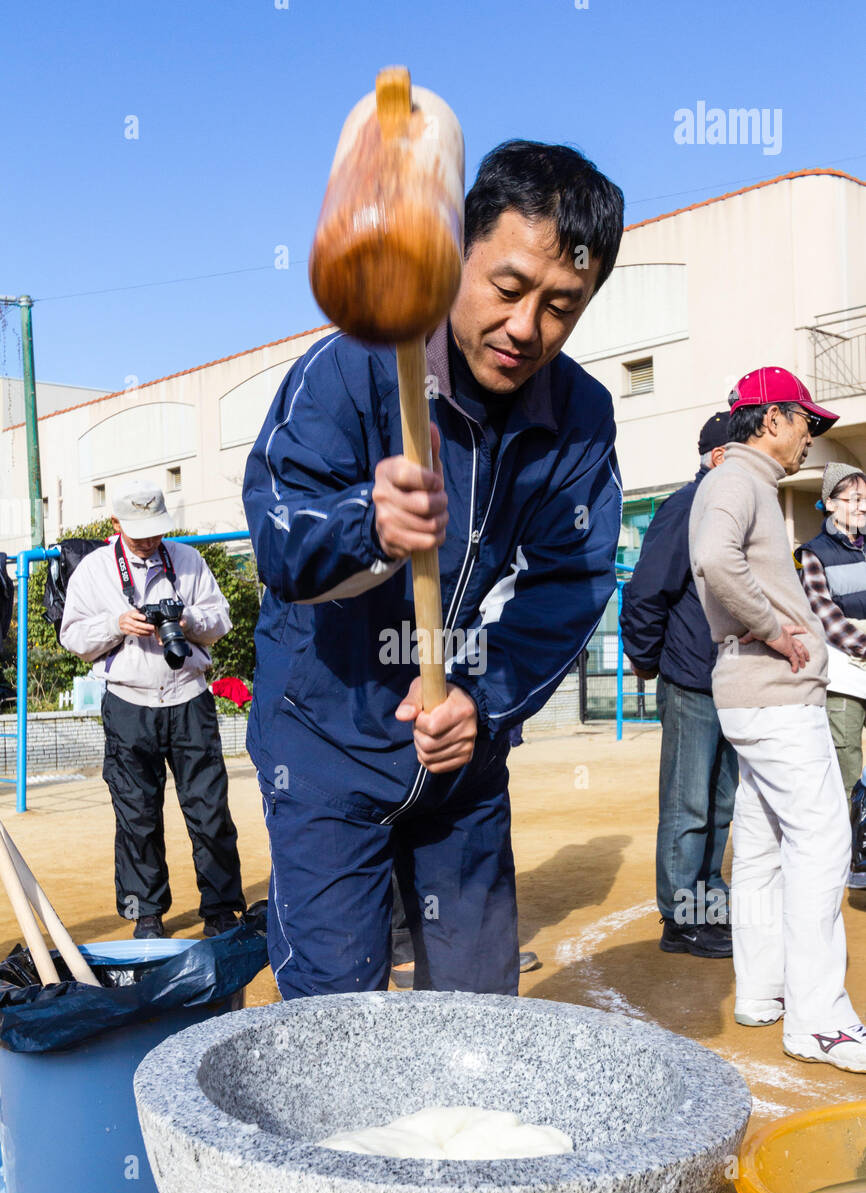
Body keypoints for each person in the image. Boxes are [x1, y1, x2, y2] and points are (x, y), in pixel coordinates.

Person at [244, 140, 624, 999]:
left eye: (563, 306)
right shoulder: (352, 364)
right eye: (509, 288)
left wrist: (481, 706)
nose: (527, 328)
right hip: (325, 739)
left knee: (478, 1013)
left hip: (460, 749)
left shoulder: (582, 416)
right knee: (335, 1017)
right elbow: (276, 537)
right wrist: (363, 523)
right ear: (455, 259)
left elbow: (571, 580)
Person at [690, 366, 866, 1071]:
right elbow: (711, 560)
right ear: (770, 419)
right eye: (805, 422)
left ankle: (764, 992)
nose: (811, 436)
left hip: (752, 692)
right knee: (822, 843)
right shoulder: (740, 478)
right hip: (773, 690)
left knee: (761, 847)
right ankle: (819, 1020)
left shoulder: (738, 480)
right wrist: (776, 629)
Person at [60, 481, 246, 939]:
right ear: (116, 524)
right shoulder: (94, 570)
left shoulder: (188, 559)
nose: (148, 539)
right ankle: (146, 912)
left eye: (156, 529)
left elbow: (220, 618)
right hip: (128, 703)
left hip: (189, 697)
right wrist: (116, 624)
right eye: (138, 530)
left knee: (210, 810)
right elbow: (74, 638)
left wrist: (187, 620)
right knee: (136, 813)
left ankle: (221, 908)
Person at [621, 411, 737, 958]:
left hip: (732, 683)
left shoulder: (727, 506)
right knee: (688, 806)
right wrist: (646, 660)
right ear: (718, 458)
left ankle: (708, 906)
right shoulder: (688, 505)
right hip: (692, 679)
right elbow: (646, 591)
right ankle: (680, 920)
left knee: (719, 805)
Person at [796, 462, 866, 803]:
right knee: (846, 763)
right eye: (854, 498)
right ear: (831, 503)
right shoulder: (812, 554)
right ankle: (847, 851)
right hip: (843, 678)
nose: (863, 506)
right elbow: (825, 615)